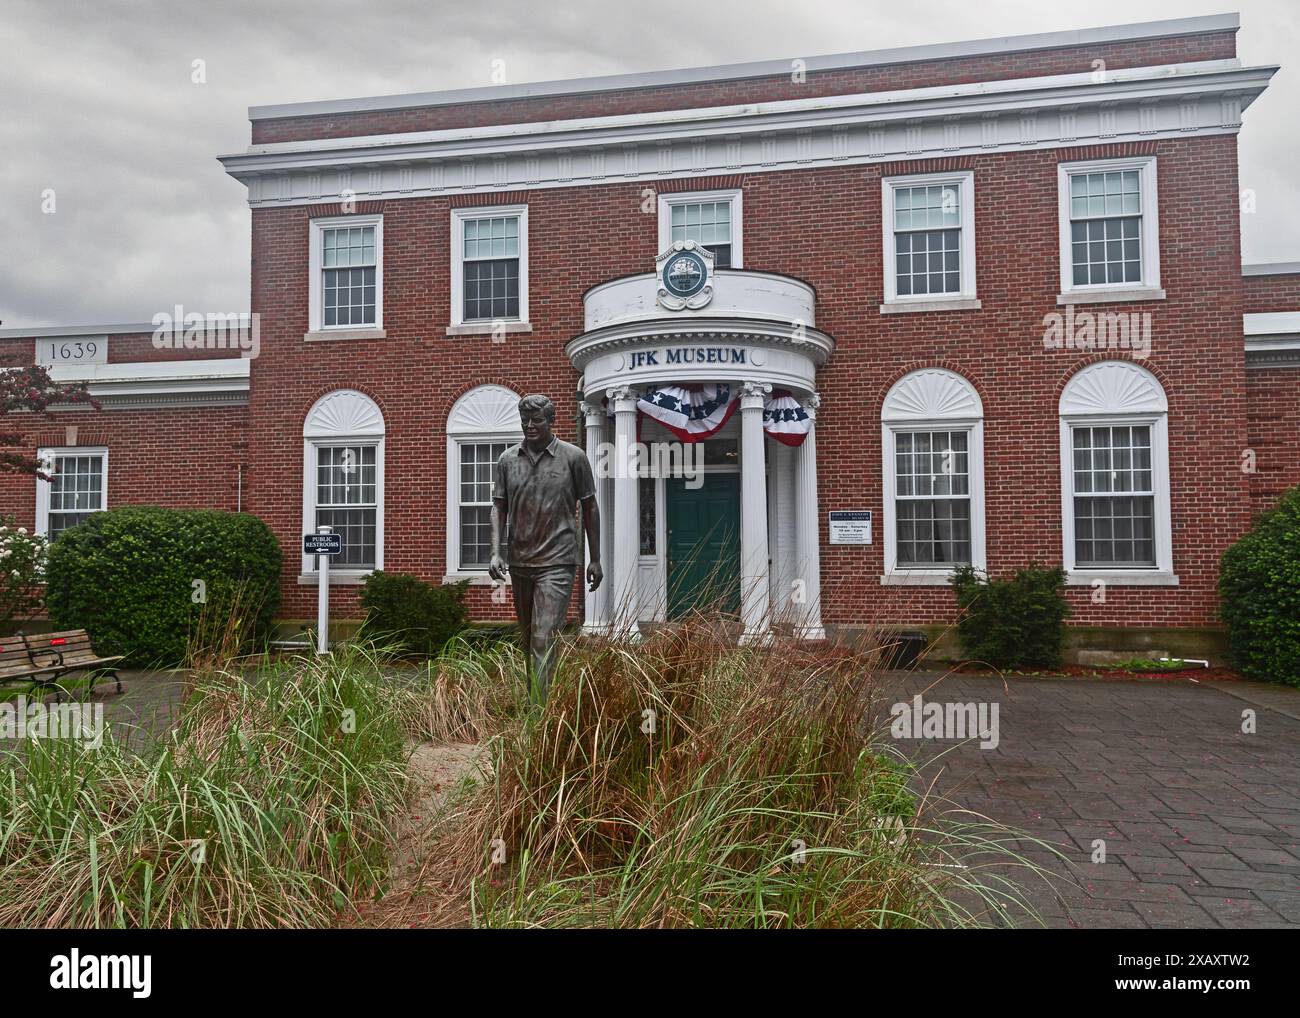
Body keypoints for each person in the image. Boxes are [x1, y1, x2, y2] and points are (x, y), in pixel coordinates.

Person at [488, 394, 602, 701]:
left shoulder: (573, 457)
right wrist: (496, 551)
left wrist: (595, 558)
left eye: (536, 420)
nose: (529, 426)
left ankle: (539, 722)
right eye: (525, 420)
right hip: (521, 561)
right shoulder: (507, 460)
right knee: (528, 641)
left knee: (543, 637)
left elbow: (590, 507)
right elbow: (499, 507)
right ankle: (536, 704)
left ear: (551, 421)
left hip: (558, 561)